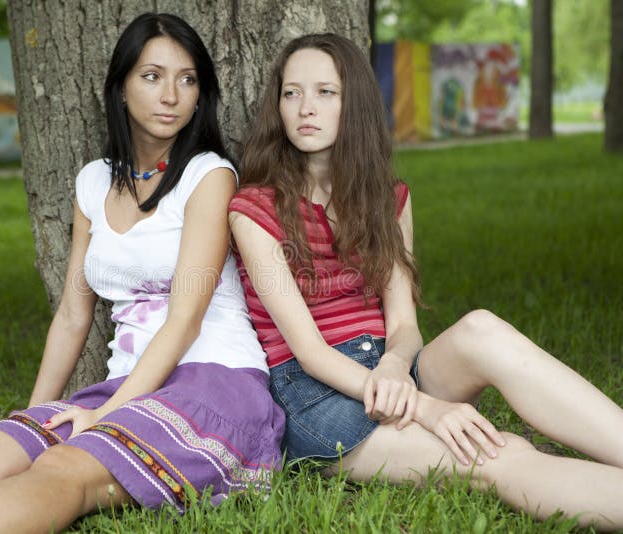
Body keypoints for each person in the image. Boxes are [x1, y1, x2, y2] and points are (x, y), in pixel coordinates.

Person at [0, 13, 283, 534]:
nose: (171, 95)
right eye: (152, 76)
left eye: (187, 79)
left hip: (213, 382)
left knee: (64, 467)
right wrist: (31, 422)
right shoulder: (93, 182)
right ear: (121, 87)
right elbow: (71, 314)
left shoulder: (209, 175)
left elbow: (185, 320)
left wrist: (107, 413)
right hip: (130, 382)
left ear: (201, 96)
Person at [228, 33, 623, 530]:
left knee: (481, 329)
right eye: (292, 93)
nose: (305, 107)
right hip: (317, 398)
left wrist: (395, 365)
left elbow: (404, 324)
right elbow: (309, 352)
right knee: (493, 455)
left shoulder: (386, 198)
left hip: (388, 369)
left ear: (356, 104)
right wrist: (427, 409)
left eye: (326, 92)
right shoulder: (254, 210)